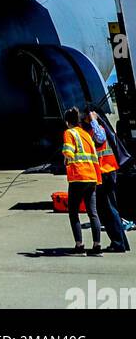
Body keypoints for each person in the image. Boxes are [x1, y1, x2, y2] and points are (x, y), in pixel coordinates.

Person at [87, 105, 129, 253]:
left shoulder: (98, 129)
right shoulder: (100, 128)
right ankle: (120, 242)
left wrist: (93, 120)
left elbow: (100, 138)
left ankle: (119, 243)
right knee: (108, 208)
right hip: (107, 172)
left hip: (105, 172)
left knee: (107, 209)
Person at [62, 107, 102, 255]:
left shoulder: (69, 133)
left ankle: (79, 246)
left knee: (73, 212)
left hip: (78, 177)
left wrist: (65, 159)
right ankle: (97, 246)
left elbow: (68, 153)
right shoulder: (86, 134)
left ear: (67, 122)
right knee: (93, 213)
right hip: (92, 177)